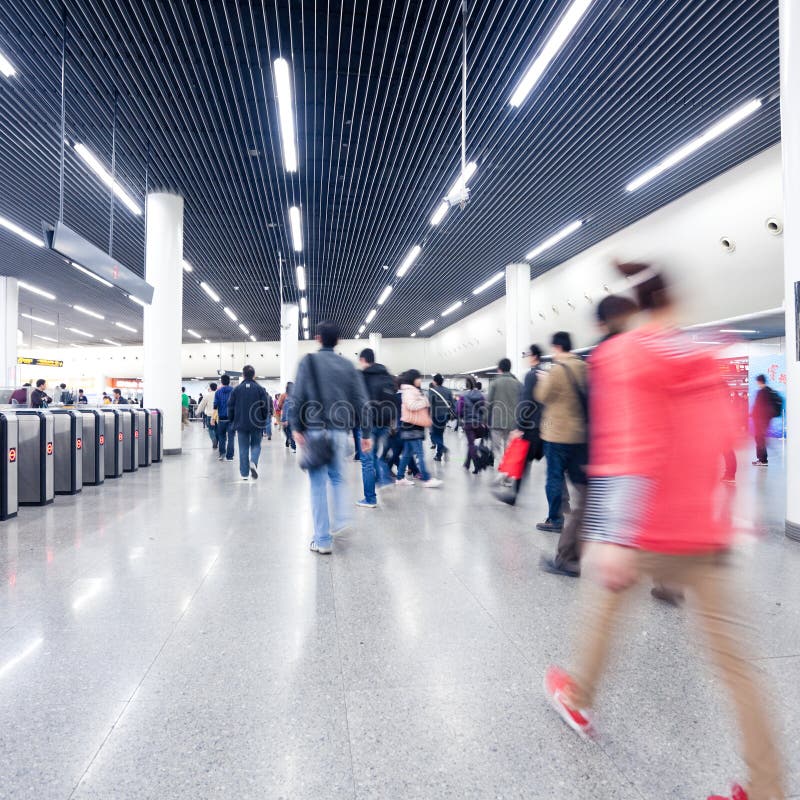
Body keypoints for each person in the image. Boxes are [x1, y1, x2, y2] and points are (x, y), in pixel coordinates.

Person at [544, 263, 784, 800]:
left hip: (647, 530)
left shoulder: (622, 355)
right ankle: (767, 787)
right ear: (674, 304)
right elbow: (731, 445)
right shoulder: (705, 355)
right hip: (707, 530)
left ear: (637, 305)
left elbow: (631, 446)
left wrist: (615, 536)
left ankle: (579, 698)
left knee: (603, 615)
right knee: (736, 665)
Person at [539, 297, 637, 577]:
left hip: (599, 441)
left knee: (587, 500)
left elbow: (597, 402)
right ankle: (668, 578)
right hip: (641, 444)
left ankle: (567, 557)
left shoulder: (601, 354)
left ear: (600, 322)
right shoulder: (642, 346)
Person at [290, 321, 371, 555]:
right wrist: (365, 434)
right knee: (337, 477)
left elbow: (298, 396)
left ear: (317, 339)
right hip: (340, 432)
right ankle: (343, 517)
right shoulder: (347, 366)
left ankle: (323, 540)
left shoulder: (308, 361)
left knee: (317, 485)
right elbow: (361, 401)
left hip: (315, 431)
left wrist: (296, 425)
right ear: (338, 341)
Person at [534, 332, 588, 551]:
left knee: (554, 477)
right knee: (578, 480)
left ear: (556, 347)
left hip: (556, 434)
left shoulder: (556, 370)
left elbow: (542, 396)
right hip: (579, 433)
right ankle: (582, 517)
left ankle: (555, 520)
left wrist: (543, 380)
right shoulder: (584, 367)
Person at [356, 347, 397, 507]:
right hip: (386, 423)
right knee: (377, 455)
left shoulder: (362, 376)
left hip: (368, 423)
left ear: (363, 360)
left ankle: (370, 498)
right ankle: (384, 477)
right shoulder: (386, 375)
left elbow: (359, 401)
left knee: (367, 460)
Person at [395, 369, 442, 488]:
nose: (420, 380)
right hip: (412, 427)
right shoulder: (409, 391)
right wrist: (425, 402)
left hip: (412, 426)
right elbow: (411, 405)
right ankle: (426, 479)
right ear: (412, 379)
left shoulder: (412, 390)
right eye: (418, 378)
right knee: (420, 453)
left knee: (406, 454)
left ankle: (400, 477)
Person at [227, 365, 269, 481]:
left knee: (243, 448)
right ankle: (253, 462)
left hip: (241, 423)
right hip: (256, 422)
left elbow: (230, 407)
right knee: (256, 445)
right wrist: (264, 419)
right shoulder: (260, 389)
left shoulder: (236, 389)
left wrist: (232, 421)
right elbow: (265, 407)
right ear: (254, 375)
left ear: (243, 375)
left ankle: (244, 474)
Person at [487, 358, 521, 464]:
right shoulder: (518, 384)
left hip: (497, 421)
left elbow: (489, 403)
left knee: (495, 447)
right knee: (508, 448)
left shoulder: (495, 383)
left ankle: (502, 465)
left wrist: (484, 419)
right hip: (512, 422)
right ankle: (506, 469)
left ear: (499, 369)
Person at [457, 377, 487, 474]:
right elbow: (483, 410)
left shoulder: (463, 396)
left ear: (466, 384)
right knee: (471, 444)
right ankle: (467, 464)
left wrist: (462, 416)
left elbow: (459, 410)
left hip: (468, 424)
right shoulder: (481, 395)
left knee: (471, 444)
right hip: (478, 424)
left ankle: (477, 465)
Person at [751, 373, 781, 466]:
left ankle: (762, 460)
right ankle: (762, 459)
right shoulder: (770, 391)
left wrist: (752, 415)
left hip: (760, 420)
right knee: (761, 439)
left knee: (759, 439)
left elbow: (757, 407)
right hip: (767, 420)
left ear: (759, 381)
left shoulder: (761, 392)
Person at [428, 373, 454, 462]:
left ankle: (444, 449)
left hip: (435, 416)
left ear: (435, 382)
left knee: (433, 435)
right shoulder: (448, 391)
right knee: (440, 435)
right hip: (445, 416)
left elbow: (429, 404)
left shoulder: (432, 391)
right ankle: (438, 456)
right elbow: (452, 404)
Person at [214, 375, 235, 462]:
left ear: (222, 382)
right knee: (231, 438)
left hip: (221, 418)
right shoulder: (234, 391)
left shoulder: (218, 392)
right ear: (229, 381)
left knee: (222, 437)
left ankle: (222, 454)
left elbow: (215, 405)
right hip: (231, 418)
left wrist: (213, 418)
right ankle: (230, 456)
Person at [195, 383, 218, 449]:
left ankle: (214, 440)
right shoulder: (218, 394)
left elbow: (202, 405)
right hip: (218, 415)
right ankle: (217, 442)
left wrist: (197, 412)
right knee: (217, 429)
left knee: (211, 429)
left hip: (210, 415)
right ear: (216, 387)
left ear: (210, 388)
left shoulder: (207, 396)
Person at [280, 382, 296, 452]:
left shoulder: (285, 396)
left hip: (287, 417)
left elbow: (280, 405)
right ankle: (291, 441)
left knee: (287, 430)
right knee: (290, 431)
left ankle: (291, 442)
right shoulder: (296, 396)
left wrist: (285, 419)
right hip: (293, 417)